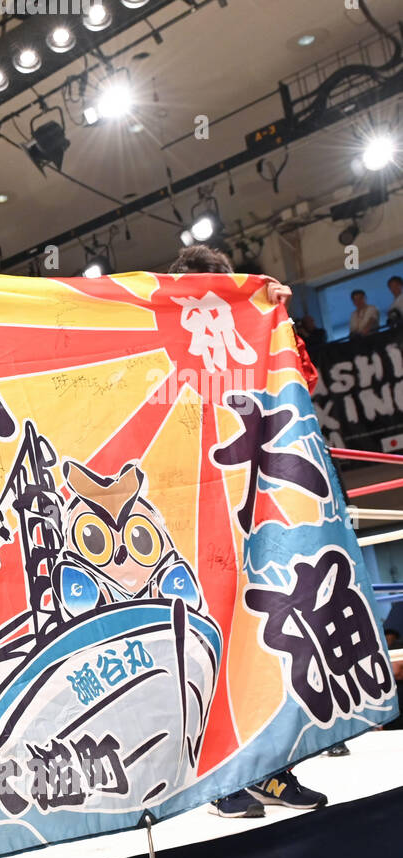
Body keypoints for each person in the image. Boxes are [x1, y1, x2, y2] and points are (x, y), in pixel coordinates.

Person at [168, 246, 329, 817]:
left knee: (270, 634)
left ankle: (274, 770)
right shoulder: (153, 333)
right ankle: (217, 780)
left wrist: (277, 319)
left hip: (255, 507)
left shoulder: (249, 331)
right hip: (190, 512)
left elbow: (299, 383)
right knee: (204, 645)